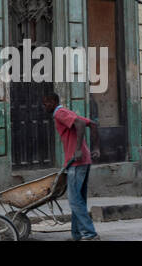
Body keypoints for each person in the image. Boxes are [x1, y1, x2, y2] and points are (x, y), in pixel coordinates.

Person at [43, 91, 100, 241]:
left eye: (47, 103)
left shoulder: (59, 113)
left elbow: (80, 124)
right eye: (44, 103)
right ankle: (77, 235)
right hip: (83, 161)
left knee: (75, 200)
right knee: (78, 199)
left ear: (54, 101)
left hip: (77, 161)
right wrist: (95, 148)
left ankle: (90, 234)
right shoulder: (66, 112)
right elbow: (92, 125)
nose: (45, 106)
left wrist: (78, 149)